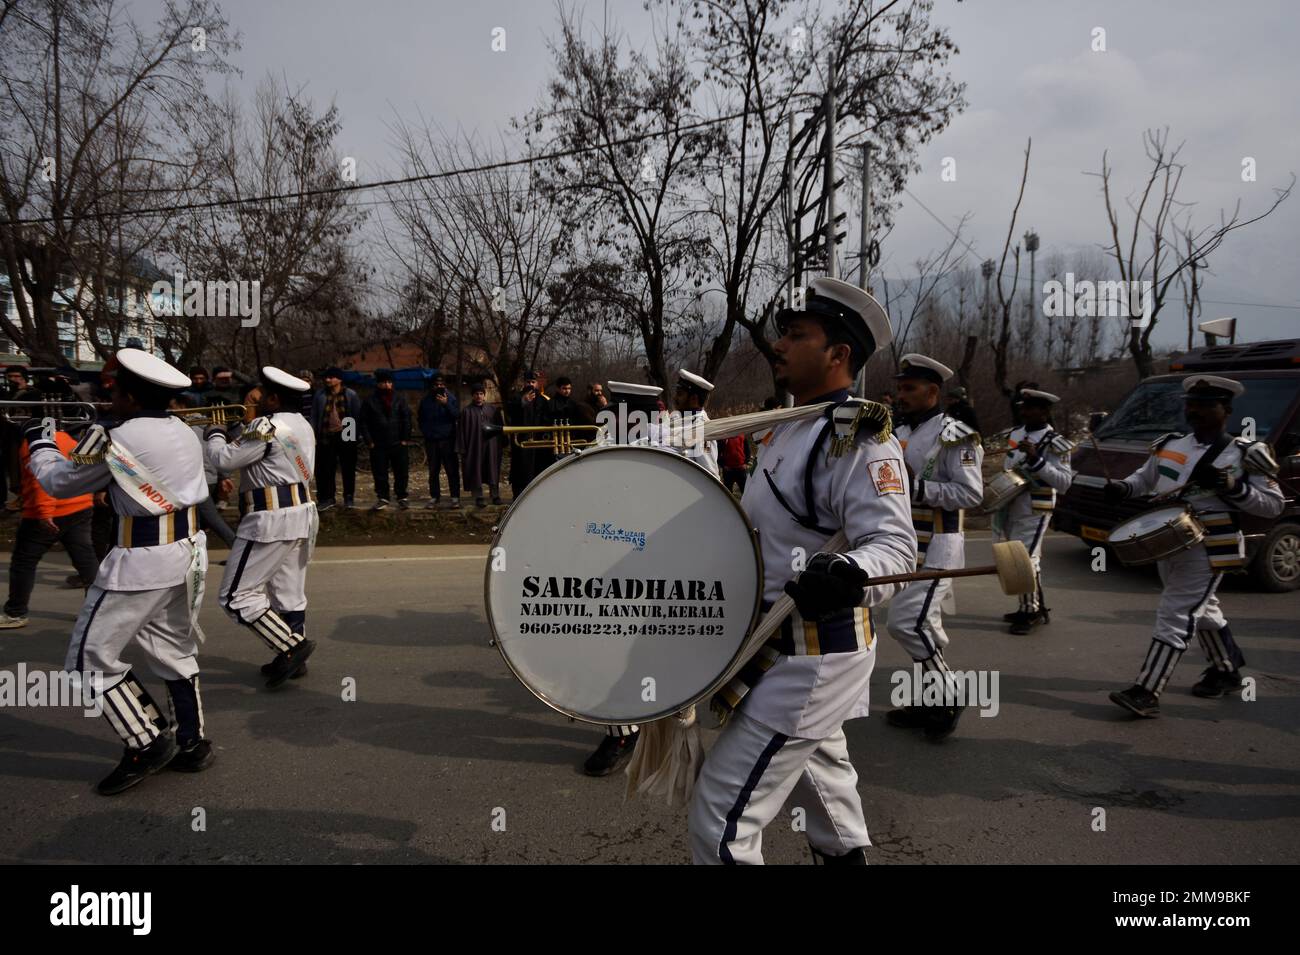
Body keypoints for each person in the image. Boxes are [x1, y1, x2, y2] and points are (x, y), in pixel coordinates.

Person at [688, 277, 915, 865]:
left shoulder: (858, 439)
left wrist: (846, 567)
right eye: (782, 335)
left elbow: (894, 547)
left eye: (796, 336)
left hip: (812, 653)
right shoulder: (792, 425)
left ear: (838, 355)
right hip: (777, 642)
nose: (779, 346)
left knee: (720, 819)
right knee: (826, 791)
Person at [24, 348, 213, 794]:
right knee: (173, 650)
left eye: (113, 394)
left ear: (128, 395)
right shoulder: (183, 430)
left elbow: (57, 482)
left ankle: (146, 742)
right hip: (187, 550)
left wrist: (41, 440)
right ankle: (192, 743)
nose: (109, 401)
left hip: (141, 559)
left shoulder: (113, 438)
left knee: (88, 661)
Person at [1104, 376, 1284, 717]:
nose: (1194, 410)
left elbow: (1273, 506)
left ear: (1226, 410)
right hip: (1167, 541)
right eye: (1191, 403)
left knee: (1176, 612)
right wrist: (1123, 489)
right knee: (1203, 609)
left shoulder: (1247, 453)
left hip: (1211, 545)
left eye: (1205, 404)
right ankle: (1226, 669)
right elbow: (1144, 479)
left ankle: (1146, 690)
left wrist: (1232, 486)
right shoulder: (1171, 444)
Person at [884, 355, 984, 740]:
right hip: (905, 542)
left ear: (932, 391)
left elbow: (971, 494)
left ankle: (950, 694)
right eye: (901, 387)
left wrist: (918, 488)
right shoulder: (897, 430)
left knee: (907, 623)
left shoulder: (956, 435)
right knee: (926, 626)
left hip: (937, 545)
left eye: (909, 388)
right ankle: (927, 700)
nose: (901, 395)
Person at [208, 367, 318, 688]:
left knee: (234, 597)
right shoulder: (302, 426)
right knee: (289, 594)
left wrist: (215, 431)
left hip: (269, 517)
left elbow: (224, 460)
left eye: (261, 395)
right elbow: (265, 454)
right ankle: (291, 660)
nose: (255, 400)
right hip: (301, 513)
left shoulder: (265, 425)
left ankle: (291, 648)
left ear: (273, 397)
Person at [580, 379, 666, 777]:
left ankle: (627, 732)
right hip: (612, 557)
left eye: (618, 411)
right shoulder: (607, 444)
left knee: (626, 650)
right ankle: (627, 727)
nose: (611, 418)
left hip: (647, 560)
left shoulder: (667, 448)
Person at [0, 426, 101, 628]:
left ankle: (16, 613)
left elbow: (43, 481)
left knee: (24, 562)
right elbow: (85, 467)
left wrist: (45, 513)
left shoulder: (32, 444)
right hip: (80, 506)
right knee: (86, 561)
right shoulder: (66, 438)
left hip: (49, 513)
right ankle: (98, 611)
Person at [990, 389, 1073, 635]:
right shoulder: (1016, 434)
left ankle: (1031, 612)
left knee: (1024, 559)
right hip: (1012, 505)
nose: (1024, 412)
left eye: (1030, 408)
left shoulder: (1057, 443)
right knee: (1023, 558)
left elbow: (1064, 482)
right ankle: (1032, 605)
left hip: (1036, 507)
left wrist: (1037, 460)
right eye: (1023, 407)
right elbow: (1009, 465)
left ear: (1045, 411)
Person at [168, 394, 237, 548]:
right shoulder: (205, 424)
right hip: (209, 477)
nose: (169, 410)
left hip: (198, 478)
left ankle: (237, 546)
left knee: (213, 520)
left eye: (172, 407)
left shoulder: (185, 426)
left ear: (182, 407)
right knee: (198, 521)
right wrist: (223, 476)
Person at [360, 370, 413, 511]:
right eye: (384, 382)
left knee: (401, 472)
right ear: (378, 384)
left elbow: (406, 418)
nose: (387, 385)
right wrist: (369, 441)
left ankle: (402, 497)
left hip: (398, 442)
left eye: (389, 382)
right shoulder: (370, 400)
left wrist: (405, 439)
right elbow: (363, 422)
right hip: (378, 444)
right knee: (380, 473)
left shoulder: (399, 399)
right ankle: (383, 497)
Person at [311, 366, 361, 511]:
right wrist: (314, 433)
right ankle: (328, 497)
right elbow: (314, 415)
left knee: (348, 467)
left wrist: (354, 437)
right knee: (326, 468)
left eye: (331, 377)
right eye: (326, 377)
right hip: (326, 435)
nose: (328, 380)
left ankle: (349, 496)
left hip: (346, 433)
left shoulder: (350, 394)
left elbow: (356, 415)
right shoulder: (320, 395)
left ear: (339, 379)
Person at [456, 383, 503, 506]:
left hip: (491, 446)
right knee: (475, 469)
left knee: (492, 469)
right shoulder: (467, 411)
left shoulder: (493, 410)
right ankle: (479, 496)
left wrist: (502, 442)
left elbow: (500, 428)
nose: (479, 396)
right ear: (473, 396)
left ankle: (495, 495)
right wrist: (462, 447)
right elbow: (461, 431)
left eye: (481, 394)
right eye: (476, 394)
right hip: (474, 446)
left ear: (484, 395)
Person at [418, 373, 460, 508]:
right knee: (433, 470)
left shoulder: (451, 398)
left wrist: (446, 404)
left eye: (442, 385)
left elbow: (456, 415)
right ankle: (435, 497)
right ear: (432, 386)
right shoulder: (425, 401)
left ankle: (455, 497)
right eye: (436, 385)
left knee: (452, 470)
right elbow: (420, 419)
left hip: (448, 440)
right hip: (432, 441)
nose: (439, 387)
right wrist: (426, 432)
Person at [670, 369, 720, 477]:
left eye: (679, 394)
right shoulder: (680, 419)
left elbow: (710, 475)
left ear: (694, 399)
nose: (675, 398)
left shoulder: (703, 430)